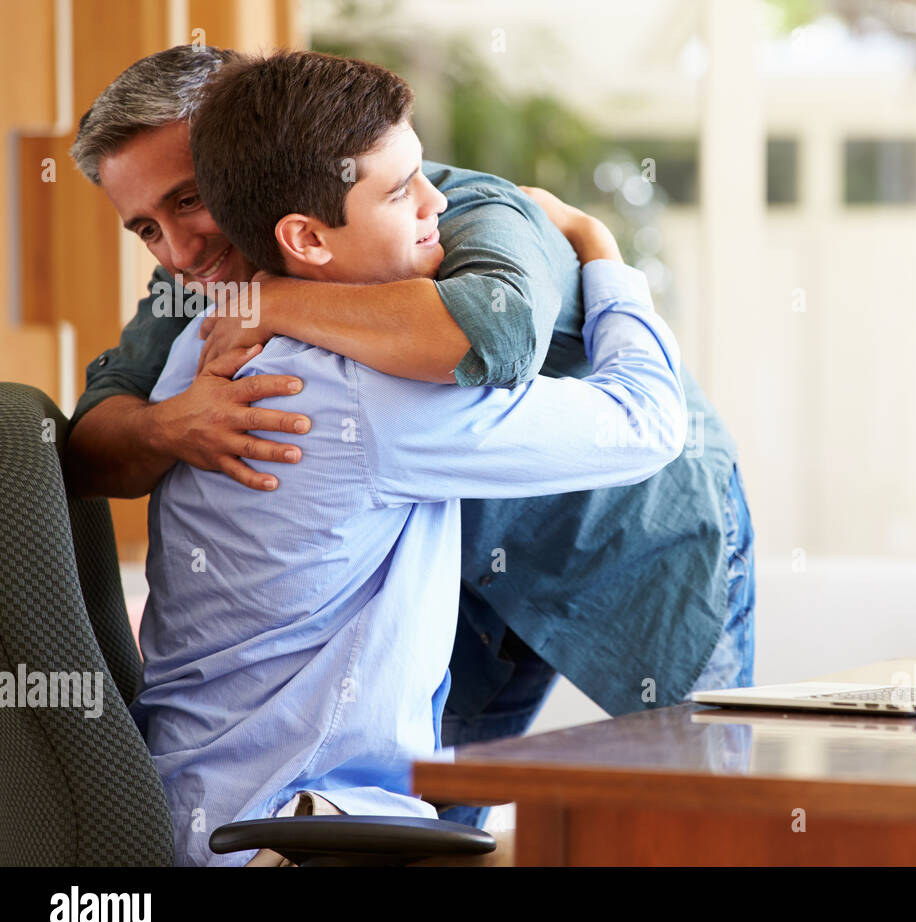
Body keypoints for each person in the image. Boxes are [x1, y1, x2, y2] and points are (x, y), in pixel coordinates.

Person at [67, 45, 754, 831]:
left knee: (711, 818)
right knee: (434, 812)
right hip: (423, 577)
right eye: (147, 227)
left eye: (190, 198)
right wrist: (170, 423)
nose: (179, 251)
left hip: (624, 532)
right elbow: (88, 442)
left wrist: (279, 302)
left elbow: (488, 336)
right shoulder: (210, 301)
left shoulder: (451, 210)